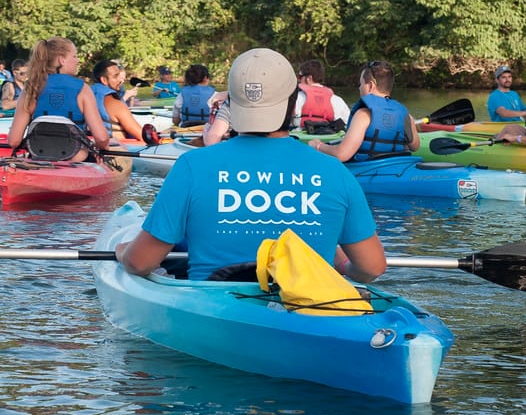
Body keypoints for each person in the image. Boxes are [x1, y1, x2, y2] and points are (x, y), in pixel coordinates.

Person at [115, 47, 387, 283]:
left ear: (230, 101)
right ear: (293, 103)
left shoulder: (191, 165)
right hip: (309, 311)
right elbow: (371, 269)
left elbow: (140, 263)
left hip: (213, 313)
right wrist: (342, 265)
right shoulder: (334, 170)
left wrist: (123, 253)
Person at [7, 37, 110, 160]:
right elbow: (102, 138)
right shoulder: (83, 89)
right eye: (74, 56)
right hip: (77, 160)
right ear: (61, 60)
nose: (78, 61)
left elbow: (14, 141)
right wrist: (101, 148)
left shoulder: (31, 88)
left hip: (39, 158)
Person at [307, 60, 420, 162]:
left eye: (361, 84)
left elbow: (342, 154)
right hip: (398, 168)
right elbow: (415, 146)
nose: (359, 88)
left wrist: (318, 145)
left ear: (370, 86)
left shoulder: (363, 115)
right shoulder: (406, 116)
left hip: (367, 171)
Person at [92, 59, 145, 140]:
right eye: (116, 76)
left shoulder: (87, 96)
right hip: (120, 149)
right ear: (104, 80)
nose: (121, 80)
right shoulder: (116, 104)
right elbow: (142, 137)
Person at [293, 59, 350, 130]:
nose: (299, 80)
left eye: (300, 77)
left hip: (300, 138)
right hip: (328, 138)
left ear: (309, 78)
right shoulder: (337, 100)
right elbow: (348, 123)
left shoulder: (296, 98)